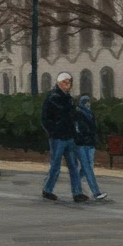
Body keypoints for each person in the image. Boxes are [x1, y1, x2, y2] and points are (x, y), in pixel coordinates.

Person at [41, 72, 84, 202]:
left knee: (73, 165)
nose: (68, 85)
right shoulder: (53, 97)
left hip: (68, 136)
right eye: (65, 82)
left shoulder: (68, 98)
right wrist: (53, 131)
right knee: (56, 165)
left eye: (69, 82)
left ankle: (77, 193)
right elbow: (45, 119)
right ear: (59, 83)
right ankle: (48, 190)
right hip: (58, 137)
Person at [73, 94, 108, 201]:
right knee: (87, 168)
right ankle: (96, 192)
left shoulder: (90, 113)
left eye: (89, 101)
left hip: (90, 143)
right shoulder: (77, 113)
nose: (88, 104)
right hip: (81, 144)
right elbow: (76, 128)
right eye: (86, 102)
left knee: (87, 167)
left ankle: (76, 187)